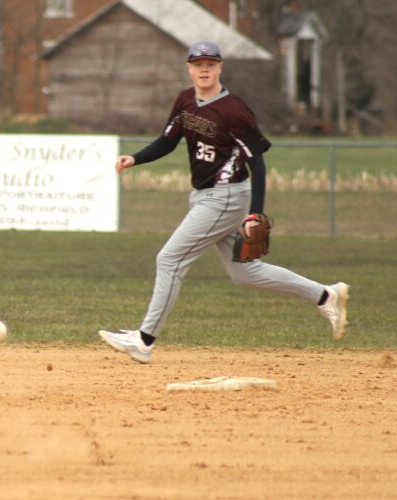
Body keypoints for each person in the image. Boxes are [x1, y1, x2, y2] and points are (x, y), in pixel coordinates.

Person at [98, 41, 349, 364]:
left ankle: (144, 341)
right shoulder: (186, 101)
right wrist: (135, 158)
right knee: (245, 273)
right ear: (189, 68)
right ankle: (325, 294)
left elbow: (257, 163)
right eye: (198, 63)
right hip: (204, 196)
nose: (204, 69)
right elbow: (167, 141)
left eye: (210, 64)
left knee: (170, 259)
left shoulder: (234, 111)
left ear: (220, 68)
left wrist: (255, 213)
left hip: (227, 196)